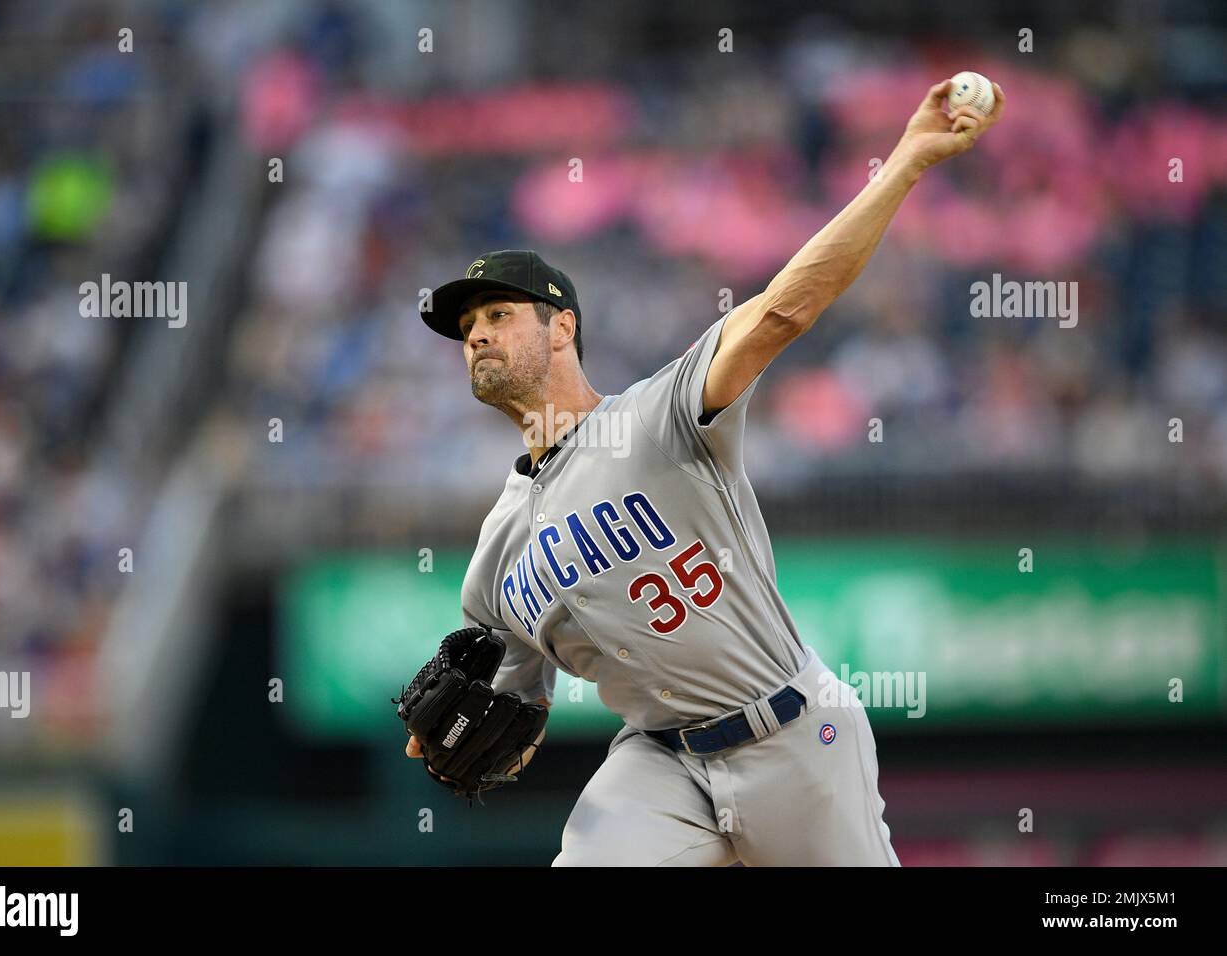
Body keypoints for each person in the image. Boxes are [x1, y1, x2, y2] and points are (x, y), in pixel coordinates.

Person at [406, 78, 1004, 865]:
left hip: (792, 734)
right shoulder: (493, 564)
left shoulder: (660, 417)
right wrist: (469, 743)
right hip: (660, 764)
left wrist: (906, 162)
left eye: (497, 315)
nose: (475, 336)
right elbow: (514, 719)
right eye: (466, 327)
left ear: (563, 330)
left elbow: (784, 310)